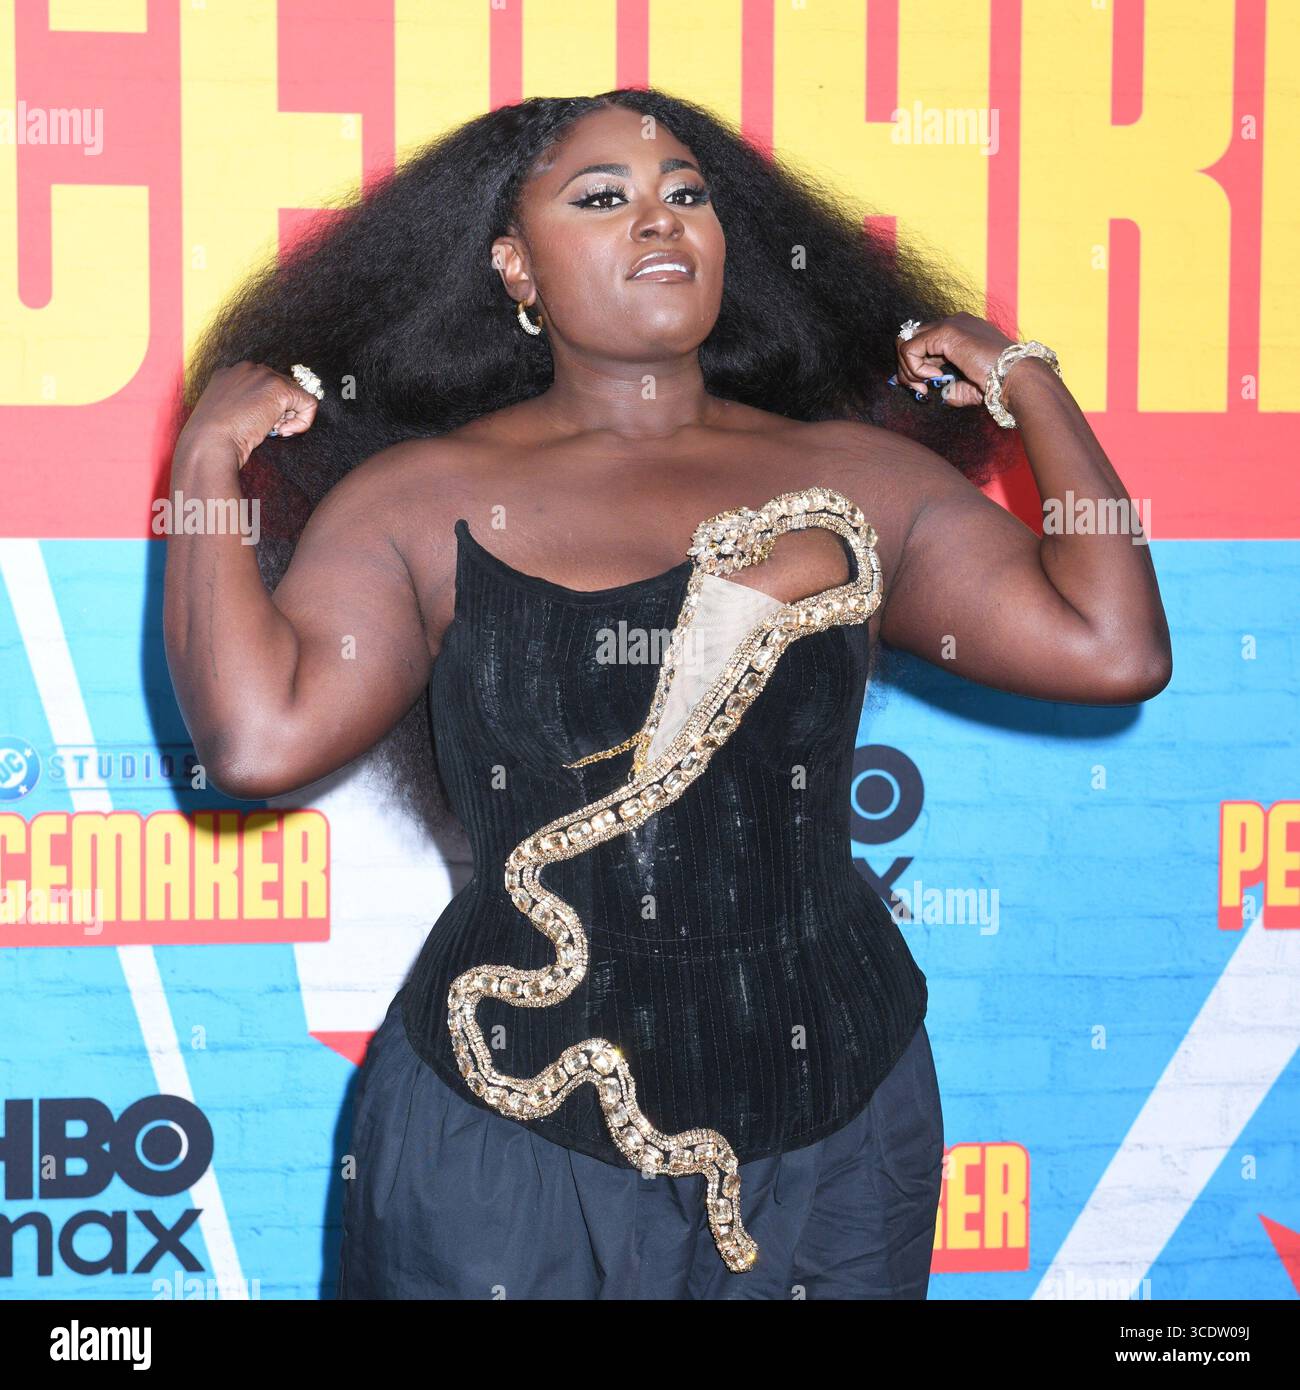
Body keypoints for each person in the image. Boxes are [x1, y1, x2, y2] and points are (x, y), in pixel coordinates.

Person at [164, 88, 1171, 1300]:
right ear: (514, 266)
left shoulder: (853, 477)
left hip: (836, 1128)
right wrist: (207, 461)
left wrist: (1026, 379)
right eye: (603, 199)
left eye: (685, 195)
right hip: (505, 1136)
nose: (660, 222)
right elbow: (257, 739)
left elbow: (1111, 646)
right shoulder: (418, 500)